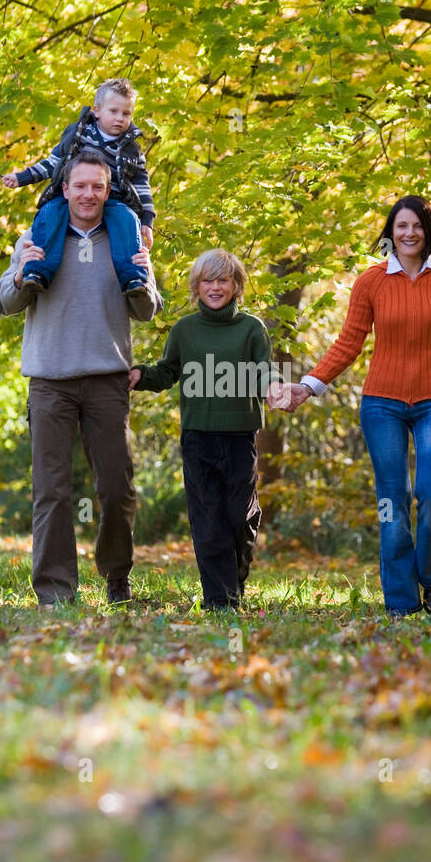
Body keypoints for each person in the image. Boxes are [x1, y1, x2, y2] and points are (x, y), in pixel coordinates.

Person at [275, 196, 431, 618]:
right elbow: (349, 342)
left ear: (428, 231)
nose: (409, 233)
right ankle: (401, 601)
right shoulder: (371, 282)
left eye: (416, 226)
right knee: (391, 501)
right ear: (391, 232)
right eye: (401, 226)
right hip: (382, 404)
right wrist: (309, 386)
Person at [0, 150, 163, 609]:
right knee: (51, 490)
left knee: (116, 487)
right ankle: (55, 592)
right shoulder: (37, 234)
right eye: (80, 185)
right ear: (65, 188)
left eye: (98, 187)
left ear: (108, 192)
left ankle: (115, 579)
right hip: (50, 382)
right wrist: (21, 271)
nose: (89, 194)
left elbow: (147, 311)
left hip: (108, 381)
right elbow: (5, 302)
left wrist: (146, 277)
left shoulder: (126, 238)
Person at [129, 250, 274, 611]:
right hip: (198, 438)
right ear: (196, 287)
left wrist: (273, 387)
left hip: (240, 437)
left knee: (238, 518)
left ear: (236, 286)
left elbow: (262, 371)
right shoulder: (185, 331)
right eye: (207, 280)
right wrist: (140, 376)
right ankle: (220, 601)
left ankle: (235, 574)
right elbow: (167, 372)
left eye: (223, 280)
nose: (215, 287)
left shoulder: (251, 329)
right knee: (208, 521)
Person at [0, 77, 154, 294]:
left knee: (128, 220)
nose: (120, 118)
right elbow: (53, 163)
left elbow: (143, 186)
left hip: (114, 201)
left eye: (126, 113)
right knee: (49, 213)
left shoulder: (131, 149)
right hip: (70, 200)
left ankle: (133, 279)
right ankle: (37, 271)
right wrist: (22, 177)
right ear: (97, 111)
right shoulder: (78, 135)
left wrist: (147, 220)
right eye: (114, 111)